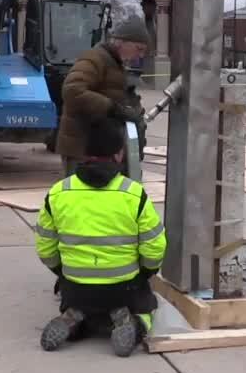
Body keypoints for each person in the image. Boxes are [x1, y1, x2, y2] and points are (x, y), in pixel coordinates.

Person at [35, 116, 167, 357]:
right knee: (148, 305)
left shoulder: (59, 192)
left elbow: (45, 247)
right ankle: (134, 323)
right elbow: (155, 246)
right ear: (119, 154)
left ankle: (75, 319)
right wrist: (145, 274)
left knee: (80, 300)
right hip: (123, 286)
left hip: (75, 285)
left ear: (84, 153)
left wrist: (62, 272)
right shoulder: (134, 194)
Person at [56, 14, 151, 176]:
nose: (140, 56)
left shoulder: (114, 63)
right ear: (122, 42)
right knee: (80, 197)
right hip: (82, 147)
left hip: (97, 147)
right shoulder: (95, 58)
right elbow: (73, 90)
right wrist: (112, 108)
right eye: (139, 49)